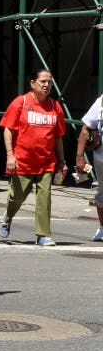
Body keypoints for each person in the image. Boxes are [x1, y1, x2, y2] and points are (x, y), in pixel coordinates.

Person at [0, 68, 65, 246]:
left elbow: (58, 136)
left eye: (49, 82)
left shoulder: (55, 106)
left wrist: (62, 160)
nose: (46, 85)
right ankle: (8, 215)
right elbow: (8, 129)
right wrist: (10, 155)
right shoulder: (21, 102)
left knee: (45, 197)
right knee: (17, 197)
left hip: (46, 161)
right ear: (33, 83)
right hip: (23, 160)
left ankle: (43, 235)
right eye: (43, 81)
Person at [75, 93, 103, 241]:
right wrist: (79, 156)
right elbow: (86, 129)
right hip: (102, 158)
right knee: (102, 194)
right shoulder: (102, 101)